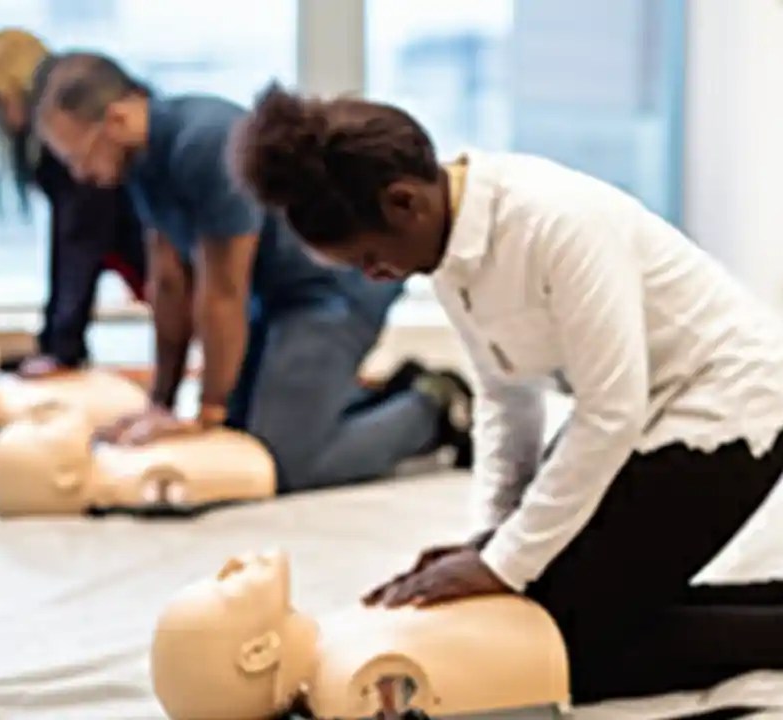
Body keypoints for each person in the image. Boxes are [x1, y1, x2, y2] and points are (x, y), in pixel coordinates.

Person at [226, 83, 783, 704]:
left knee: (565, 653)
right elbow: (505, 401)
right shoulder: (446, 252)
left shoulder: (553, 223)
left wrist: (502, 564)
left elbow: (611, 410)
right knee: (530, 607)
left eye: (369, 260)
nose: (372, 277)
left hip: (735, 409)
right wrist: (488, 542)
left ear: (404, 202)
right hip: (642, 416)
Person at [32, 53, 472, 494]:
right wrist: (160, 406)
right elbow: (168, 286)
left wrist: (207, 413)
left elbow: (223, 290)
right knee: (240, 436)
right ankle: (377, 396)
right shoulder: (142, 168)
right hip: (276, 301)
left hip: (331, 290)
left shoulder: (203, 143)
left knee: (281, 460)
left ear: (117, 118)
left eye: (78, 155)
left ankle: (433, 405)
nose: (80, 174)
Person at [0, 29, 146, 377]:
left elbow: (77, 247)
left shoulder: (63, 145)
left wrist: (61, 350)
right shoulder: (70, 127)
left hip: (153, 262)